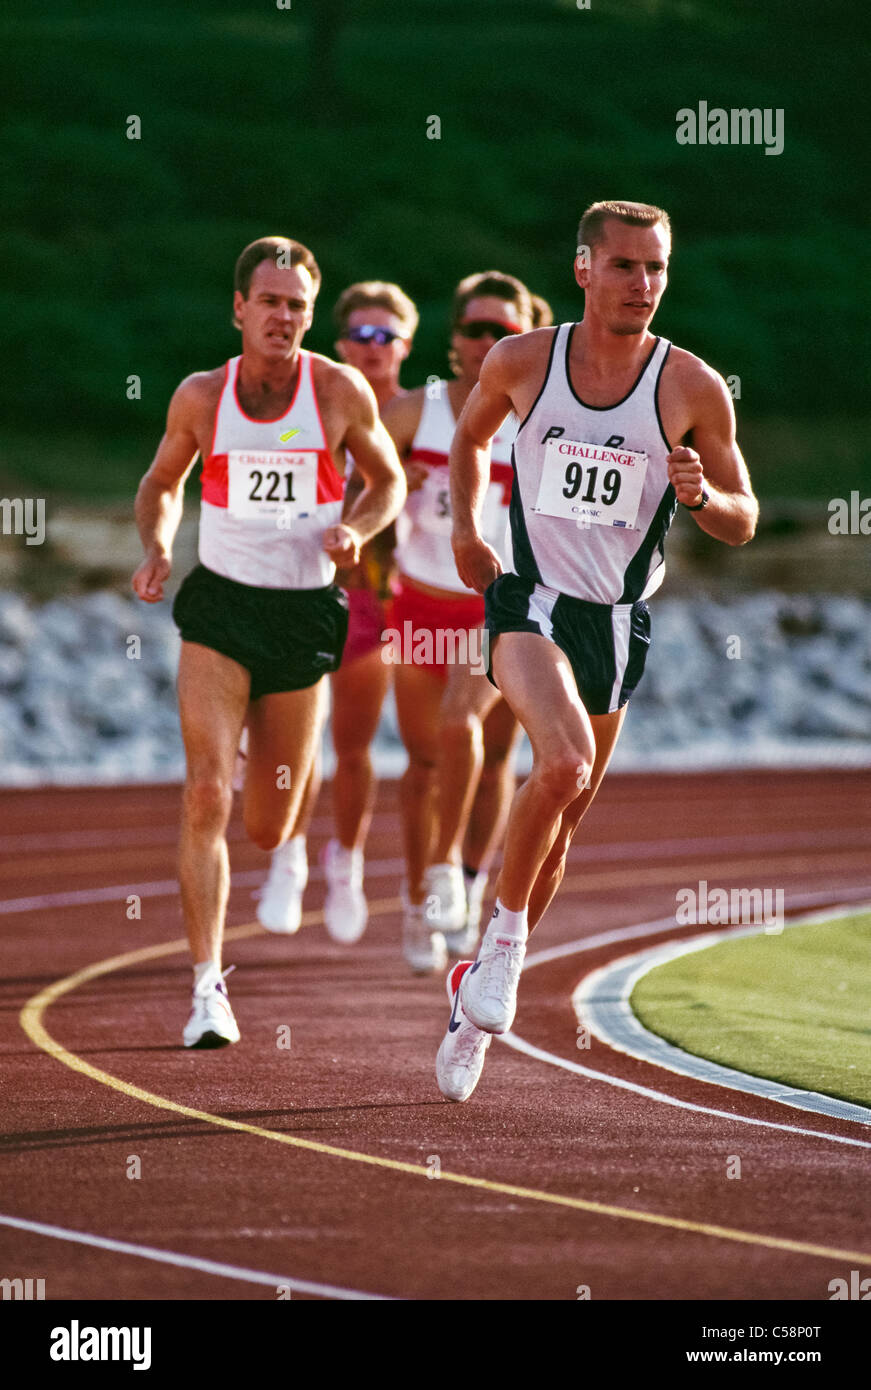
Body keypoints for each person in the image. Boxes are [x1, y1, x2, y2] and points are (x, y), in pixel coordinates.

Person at [435, 200, 758, 1101]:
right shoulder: (523, 360)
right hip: (527, 600)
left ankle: (469, 997)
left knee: (564, 820)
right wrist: (465, 530)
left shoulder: (690, 386)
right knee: (563, 763)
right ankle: (498, 952)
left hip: (617, 621)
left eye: (655, 268)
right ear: (582, 269)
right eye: (622, 266)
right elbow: (468, 440)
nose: (642, 285)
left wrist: (701, 498)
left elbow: (744, 519)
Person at [132, 236, 406, 1047]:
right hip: (219, 609)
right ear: (239, 309)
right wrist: (155, 544)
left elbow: (386, 479)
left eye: (297, 305)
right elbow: (160, 482)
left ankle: (280, 808)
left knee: (267, 825)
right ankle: (206, 989)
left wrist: (355, 527)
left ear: (308, 316)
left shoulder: (339, 391)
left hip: (303, 613)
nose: (283, 317)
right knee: (205, 795)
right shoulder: (198, 395)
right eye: (270, 302)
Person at [381, 272, 535, 972]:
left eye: (501, 330)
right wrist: (389, 487)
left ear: (526, 336)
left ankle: (464, 883)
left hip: (499, 603)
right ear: (453, 340)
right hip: (417, 598)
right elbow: (350, 483)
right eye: (473, 328)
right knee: (424, 762)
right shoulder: (417, 411)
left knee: (487, 750)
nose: (484, 341)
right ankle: (419, 902)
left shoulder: (540, 417)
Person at [256, 281, 418, 943]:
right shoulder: (316, 408)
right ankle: (288, 856)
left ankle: (345, 862)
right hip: (304, 590)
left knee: (351, 746)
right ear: (340, 341)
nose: (370, 348)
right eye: (359, 336)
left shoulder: (426, 417)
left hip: (380, 599)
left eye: (385, 336)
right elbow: (271, 465)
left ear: (405, 345)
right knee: (296, 743)